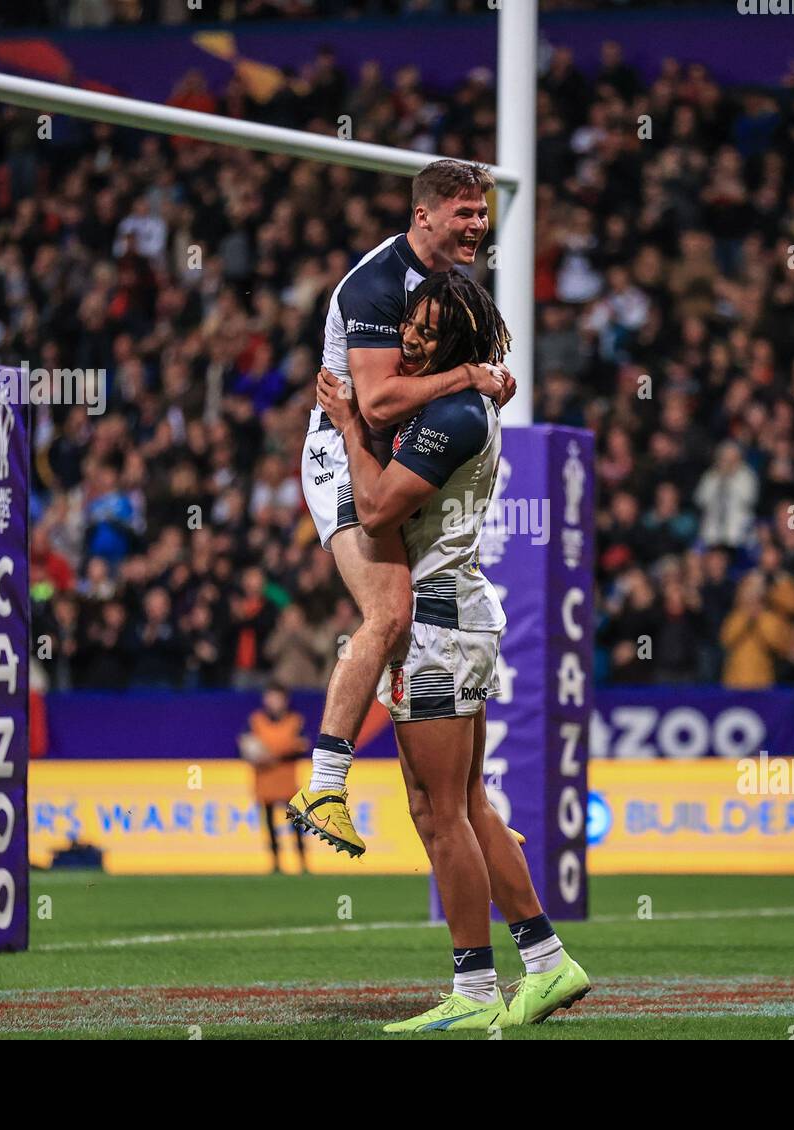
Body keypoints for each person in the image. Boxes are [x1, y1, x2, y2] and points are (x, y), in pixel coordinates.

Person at [316, 271, 590, 1032]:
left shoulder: (455, 416)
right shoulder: (462, 404)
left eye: (432, 331)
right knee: (463, 805)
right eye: (412, 323)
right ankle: (546, 962)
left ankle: (474, 994)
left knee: (440, 814)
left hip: (438, 622)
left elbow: (372, 511)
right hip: (455, 615)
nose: (412, 337)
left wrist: (345, 426)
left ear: (463, 342)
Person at [289, 159, 515, 858]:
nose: (478, 224)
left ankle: (470, 810)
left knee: (407, 621)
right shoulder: (377, 284)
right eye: (465, 213)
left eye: (482, 213)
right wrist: (470, 377)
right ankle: (323, 784)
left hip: (387, 456)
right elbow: (378, 402)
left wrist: (487, 374)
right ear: (425, 215)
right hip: (341, 452)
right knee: (389, 613)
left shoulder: (448, 285)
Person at [239, 683, 309, 874]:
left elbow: (302, 746)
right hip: (265, 781)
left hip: (287, 781)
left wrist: (273, 755)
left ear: (285, 700)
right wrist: (259, 755)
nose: (274, 702)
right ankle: (276, 863)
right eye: (271, 697)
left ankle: (302, 862)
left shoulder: (295, 721)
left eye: (278, 698)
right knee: (269, 823)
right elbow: (245, 745)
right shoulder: (256, 720)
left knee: (296, 822)